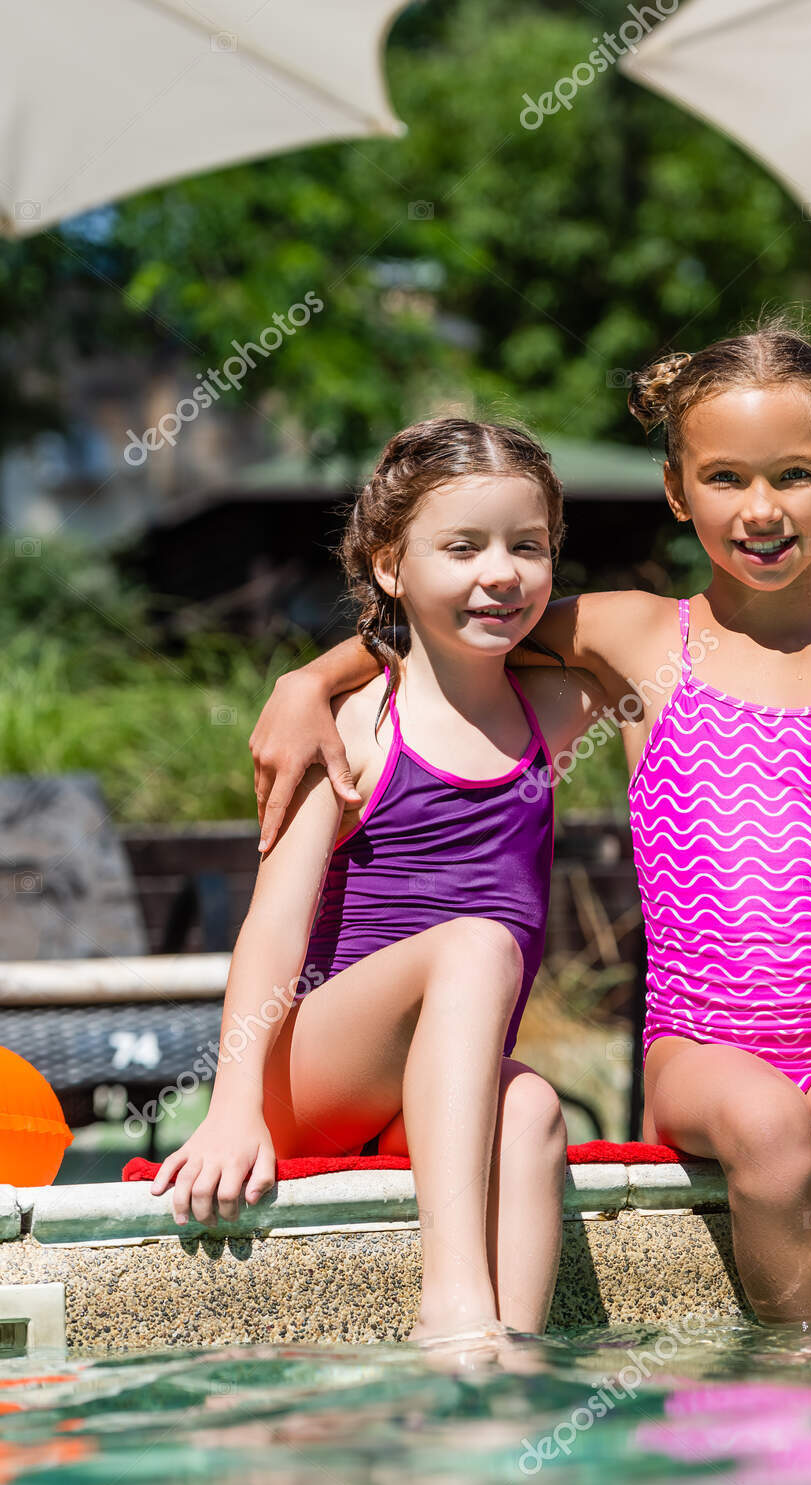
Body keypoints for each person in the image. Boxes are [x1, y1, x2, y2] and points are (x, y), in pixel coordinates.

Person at [248, 318, 811, 1330]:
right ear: (677, 488)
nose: (761, 508)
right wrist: (315, 675)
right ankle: (809, 1375)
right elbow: (459, 622)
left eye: (795, 475)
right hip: (704, 1048)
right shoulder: (640, 636)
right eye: (726, 479)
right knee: (769, 1128)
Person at [150, 417, 605, 1345]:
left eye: (529, 546)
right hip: (310, 1075)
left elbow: (720, 628)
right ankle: (454, 1298)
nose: (502, 572)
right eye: (462, 546)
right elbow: (270, 932)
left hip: (433, 1088)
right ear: (391, 565)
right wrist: (234, 1111)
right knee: (476, 944)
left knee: (533, 1109)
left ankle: (497, 1372)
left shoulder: (556, 708)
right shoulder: (354, 728)